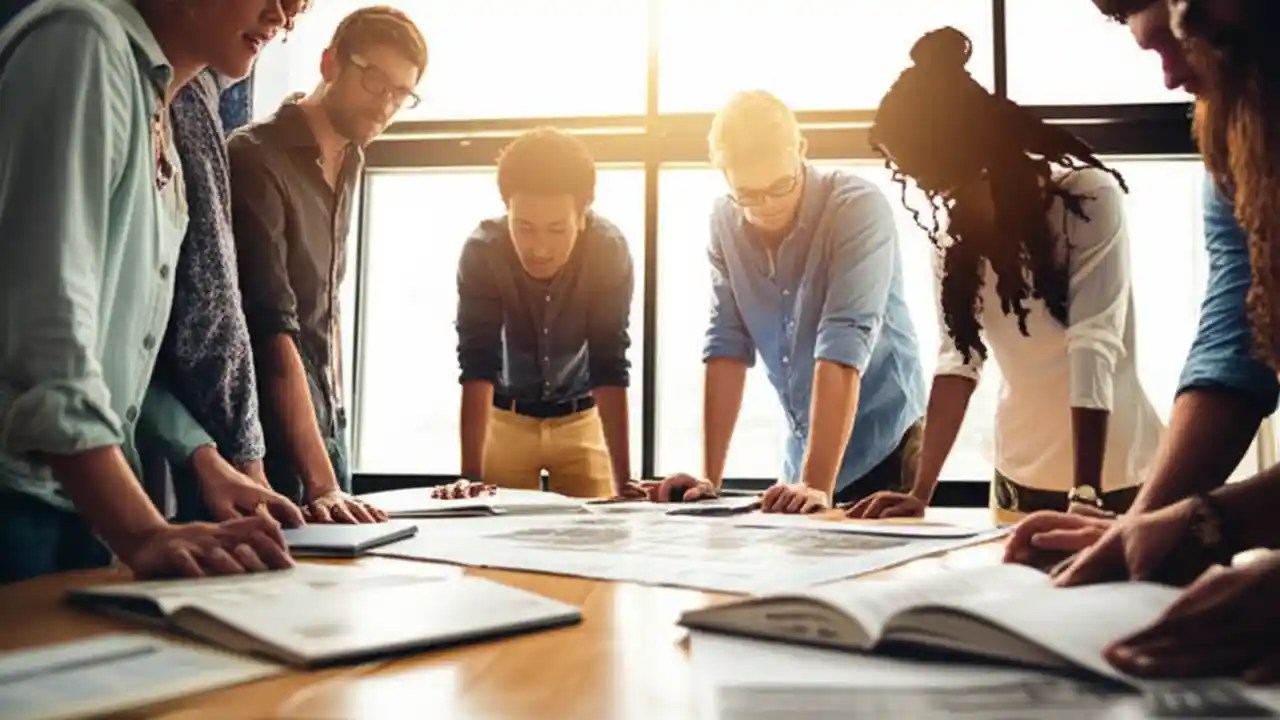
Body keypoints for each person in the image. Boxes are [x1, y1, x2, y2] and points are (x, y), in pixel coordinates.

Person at [0, 0, 299, 583]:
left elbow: (117, 350)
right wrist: (142, 532)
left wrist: (201, 456)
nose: (285, 12)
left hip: (75, 501)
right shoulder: (82, 41)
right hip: (16, 502)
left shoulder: (163, 100)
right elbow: (46, 333)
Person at [847, 27, 1164, 522]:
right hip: (1018, 476)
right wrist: (920, 492)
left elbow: (1093, 341)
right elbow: (958, 359)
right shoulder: (956, 240)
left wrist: (1085, 491)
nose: (927, 194)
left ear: (961, 160)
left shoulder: (1088, 198)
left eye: (924, 176)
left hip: (1115, 476)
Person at [1004, 0, 1279, 569]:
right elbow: (1236, 335)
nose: (1172, 76)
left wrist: (1211, 525)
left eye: (1190, 36)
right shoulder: (1235, 138)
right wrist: (1143, 525)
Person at [656, 90, 927, 514]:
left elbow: (842, 342)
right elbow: (726, 344)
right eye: (747, 193)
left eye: (780, 186)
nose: (767, 205)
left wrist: (816, 487)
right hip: (802, 448)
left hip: (884, 440)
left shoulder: (857, 208)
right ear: (723, 175)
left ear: (801, 150)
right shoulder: (723, 223)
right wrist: (709, 480)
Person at [229, 5, 427, 522]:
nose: (385, 104)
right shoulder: (255, 159)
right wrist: (323, 482)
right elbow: (271, 330)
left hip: (327, 429)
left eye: (401, 94)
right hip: (266, 444)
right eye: (374, 80)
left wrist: (335, 442)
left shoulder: (353, 157)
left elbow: (327, 306)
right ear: (329, 62)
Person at [157, 65, 307, 525]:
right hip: (45, 468)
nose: (280, 18)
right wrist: (241, 452)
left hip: (172, 442)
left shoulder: (199, 89)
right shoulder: (85, 43)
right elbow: (215, 305)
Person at [453, 128, 638, 499]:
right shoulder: (482, 251)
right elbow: (477, 362)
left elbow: (609, 360)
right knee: (491, 543)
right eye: (524, 227)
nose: (539, 249)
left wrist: (624, 484)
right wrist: (469, 477)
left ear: (582, 215)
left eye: (556, 229)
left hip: (583, 419)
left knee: (598, 541)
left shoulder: (608, 249)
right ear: (507, 210)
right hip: (503, 420)